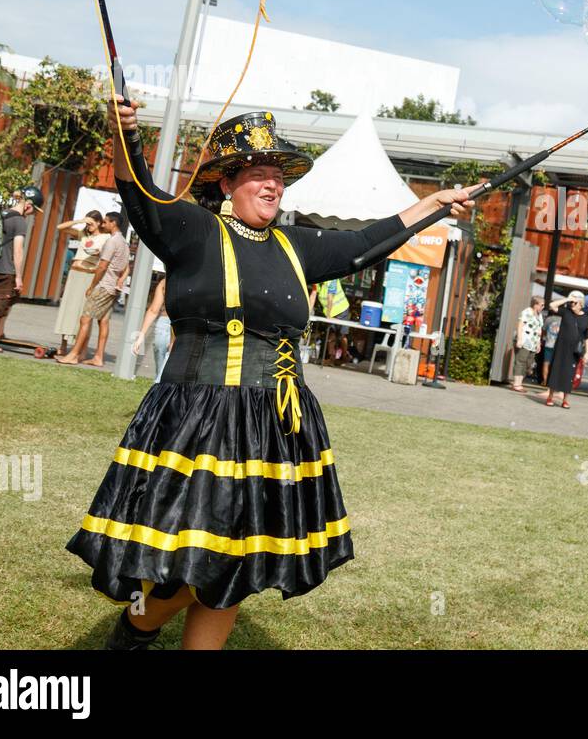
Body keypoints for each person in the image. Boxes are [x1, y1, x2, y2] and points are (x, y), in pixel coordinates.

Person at [67, 102, 475, 650]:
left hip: (276, 424)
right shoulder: (194, 230)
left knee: (241, 557)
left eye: (278, 175)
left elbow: (363, 244)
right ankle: (138, 625)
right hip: (200, 417)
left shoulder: (295, 244)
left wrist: (433, 204)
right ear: (227, 182)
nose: (272, 184)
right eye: (258, 173)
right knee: (203, 551)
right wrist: (125, 134)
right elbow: (141, 194)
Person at [0, 187, 43, 352]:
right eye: (34, 211)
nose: (33, 214)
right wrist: (19, 277)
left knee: (11, 297)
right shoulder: (19, 221)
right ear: (28, 205)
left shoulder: (4, 214)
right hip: (7, 268)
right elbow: (18, 250)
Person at [55, 212, 128, 367]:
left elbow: (102, 266)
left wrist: (92, 286)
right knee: (103, 321)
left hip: (103, 284)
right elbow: (126, 265)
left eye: (105, 222)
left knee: (85, 318)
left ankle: (74, 355)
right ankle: (98, 357)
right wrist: (120, 280)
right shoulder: (123, 242)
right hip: (112, 286)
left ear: (113, 223)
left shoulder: (110, 241)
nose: (103, 224)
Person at [53, 211, 107, 354]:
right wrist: (80, 221)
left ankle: (80, 348)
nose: (89, 226)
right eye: (88, 223)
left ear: (100, 223)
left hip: (89, 275)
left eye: (92, 223)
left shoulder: (106, 237)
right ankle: (63, 345)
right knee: (68, 309)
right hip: (75, 274)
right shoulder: (83, 235)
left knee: (82, 312)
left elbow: (106, 255)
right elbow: (60, 227)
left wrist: (99, 253)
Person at [544, 291, 588, 408]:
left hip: (575, 351)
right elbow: (552, 306)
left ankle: (565, 400)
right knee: (556, 371)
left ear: (581, 304)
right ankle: (550, 397)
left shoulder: (585, 319)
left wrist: (587, 353)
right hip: (561, 347)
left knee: (569, 374)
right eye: (572, 303)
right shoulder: (566, 312)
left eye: (574, 303)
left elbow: (587, 337)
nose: (572, 304)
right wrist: (567, 299)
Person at [131, 261, 172, 381]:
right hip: (163, 324)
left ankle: (159, 389)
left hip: (180, 328)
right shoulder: (164, 283)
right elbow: (154, 310)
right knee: (161, 369)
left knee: (163, 373)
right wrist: (141, 335)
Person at [512, 295, 544, 393]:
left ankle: (520, 383)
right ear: (535, 305)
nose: (543, 307)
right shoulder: (527, 312)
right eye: (542, 305)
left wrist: (538, 343)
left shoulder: (539, 315)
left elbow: (539, 330)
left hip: (533, 343)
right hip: (525, 340)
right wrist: (519, 339)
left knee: (529, 363)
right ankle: (517, 384)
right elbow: (520, 325)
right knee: (521, 361)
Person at [541, 307, 561, 385]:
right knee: (556, 365)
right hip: (558, 346)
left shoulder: (548, 319)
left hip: (548, 344)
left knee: (546, 363)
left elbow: (543, 331)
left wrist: (543, 339)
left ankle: (545, 381)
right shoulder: (564, 320)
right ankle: (553, 382)